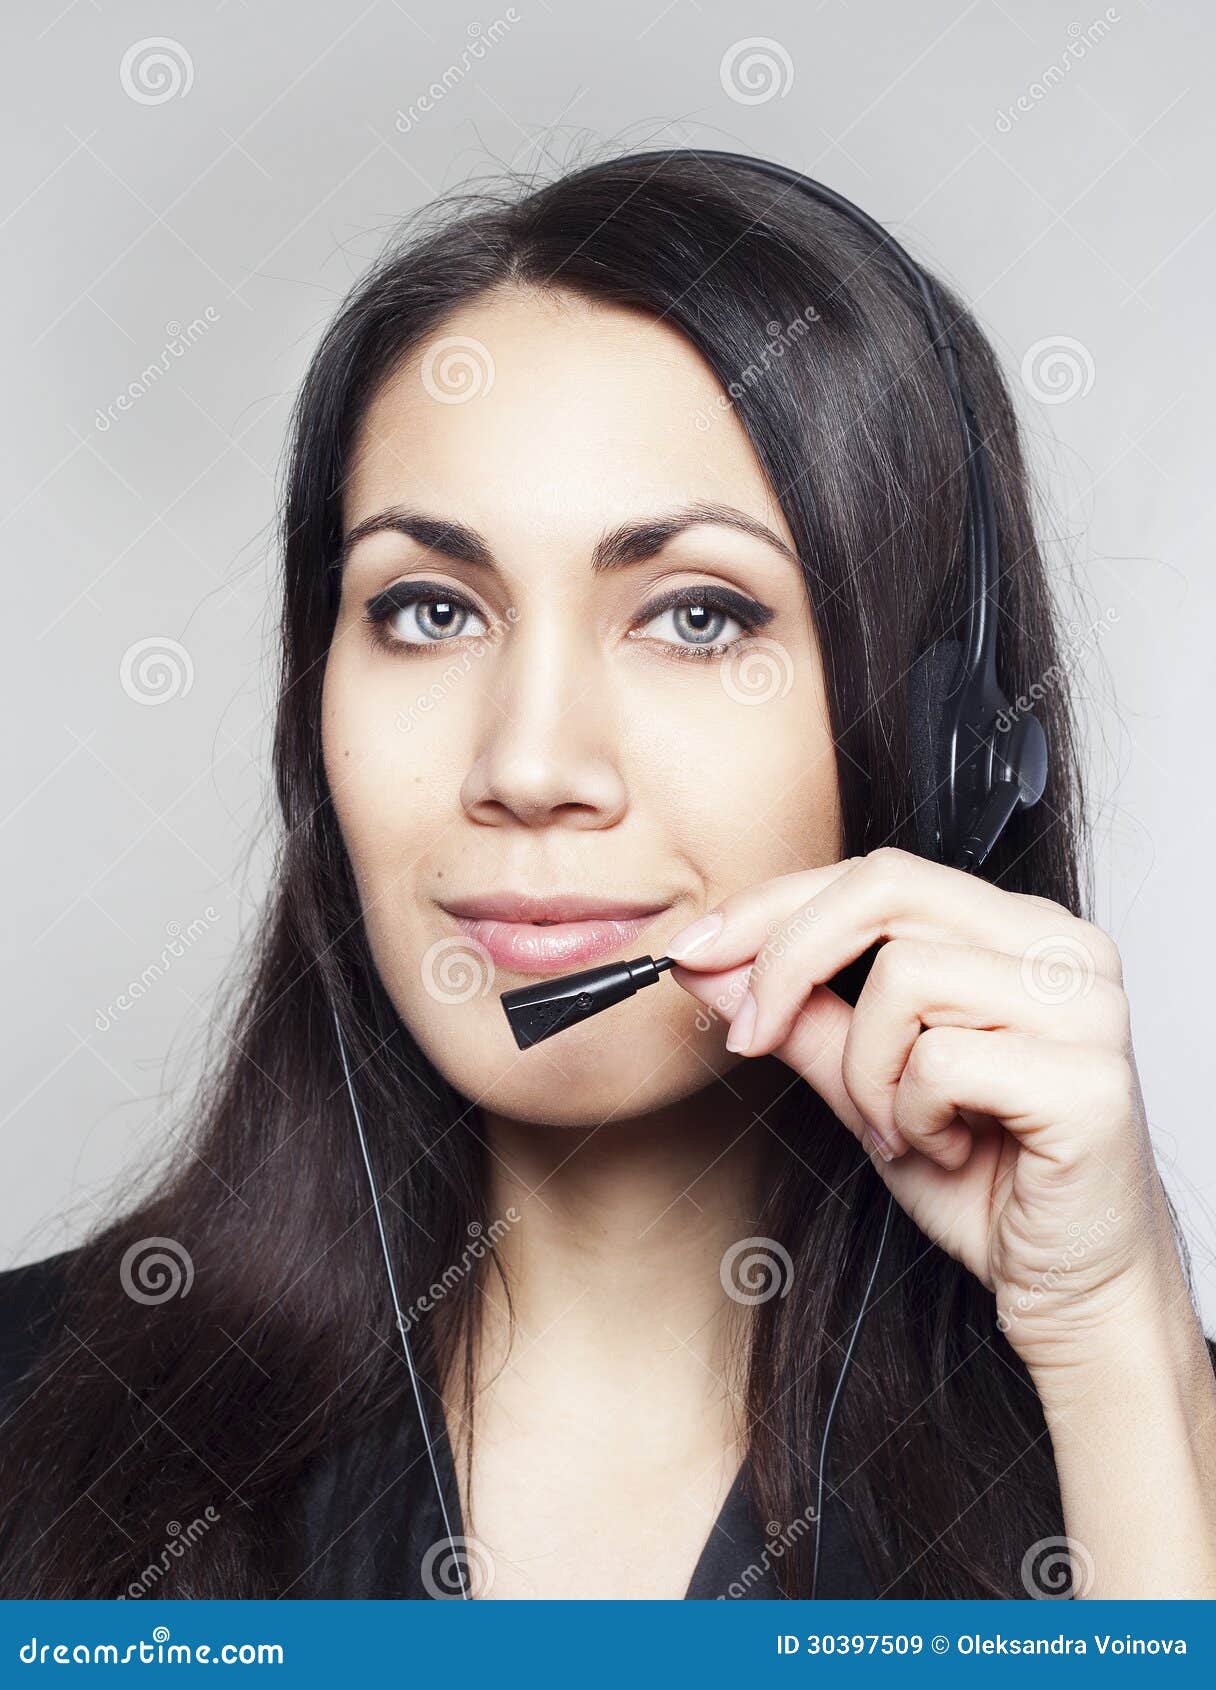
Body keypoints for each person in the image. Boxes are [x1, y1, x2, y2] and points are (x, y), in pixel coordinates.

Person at [2, 149, 1214, 1601]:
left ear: (941, 747)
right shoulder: (29, 1417)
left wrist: (1114, 1348)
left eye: (696, 616)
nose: (528, 763)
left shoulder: (1135, 1424)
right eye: (429, 609)